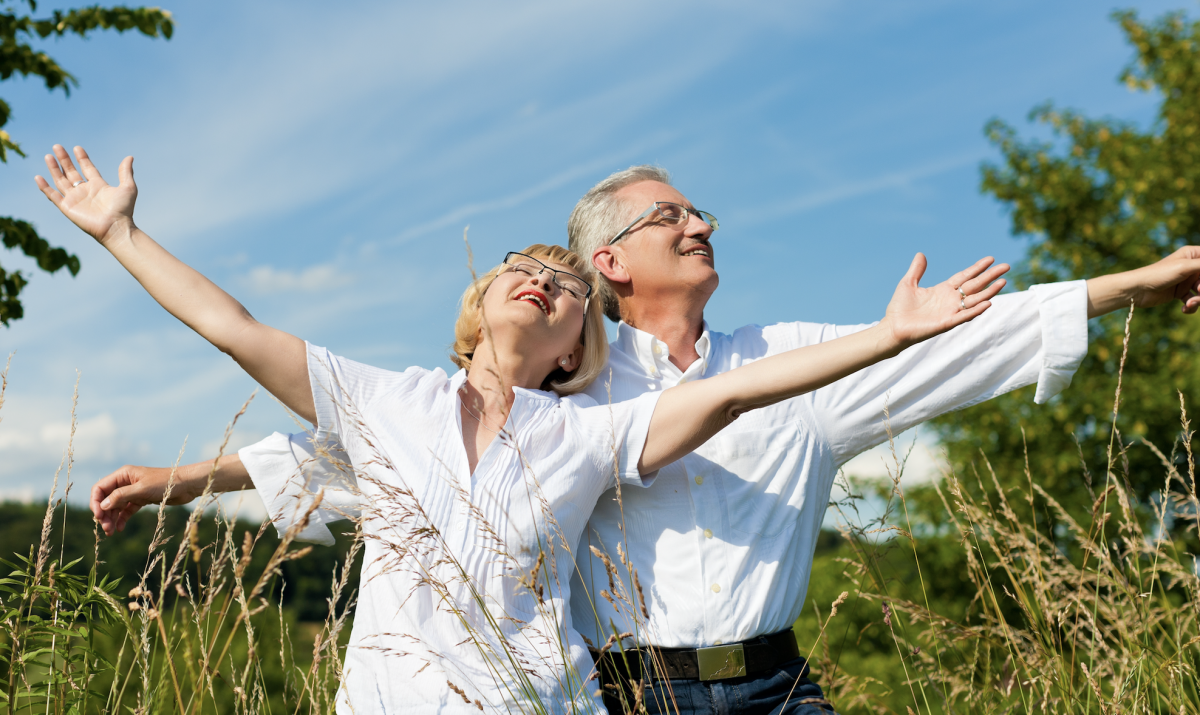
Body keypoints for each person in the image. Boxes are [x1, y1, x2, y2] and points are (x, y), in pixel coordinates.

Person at [38, 145, 1005, 714]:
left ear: (582, 338)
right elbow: (235, 331)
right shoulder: (386, 402)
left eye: (572, 287)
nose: (545, 280)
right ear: (483, 298)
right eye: (523, 267)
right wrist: (120, 233)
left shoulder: (584, 433)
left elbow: (732, 396)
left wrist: (888, 335)